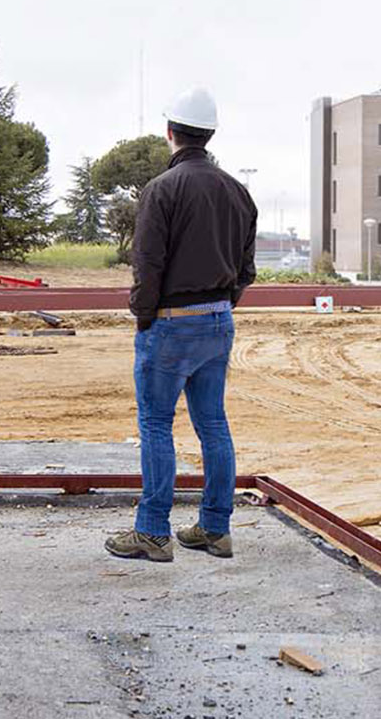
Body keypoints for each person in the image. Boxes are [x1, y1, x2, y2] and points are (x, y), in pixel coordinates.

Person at [103, 85, 258, 565]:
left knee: (155, 424)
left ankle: (152, 532)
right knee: (213, 423)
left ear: (170, 133)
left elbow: (146, 264)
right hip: (218, 321)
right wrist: (220, 302)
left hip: (171, 323)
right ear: (208, 135)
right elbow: (247, 269)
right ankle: (215, 528)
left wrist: (145, 317)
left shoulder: (161, 190)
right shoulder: (238, 191)